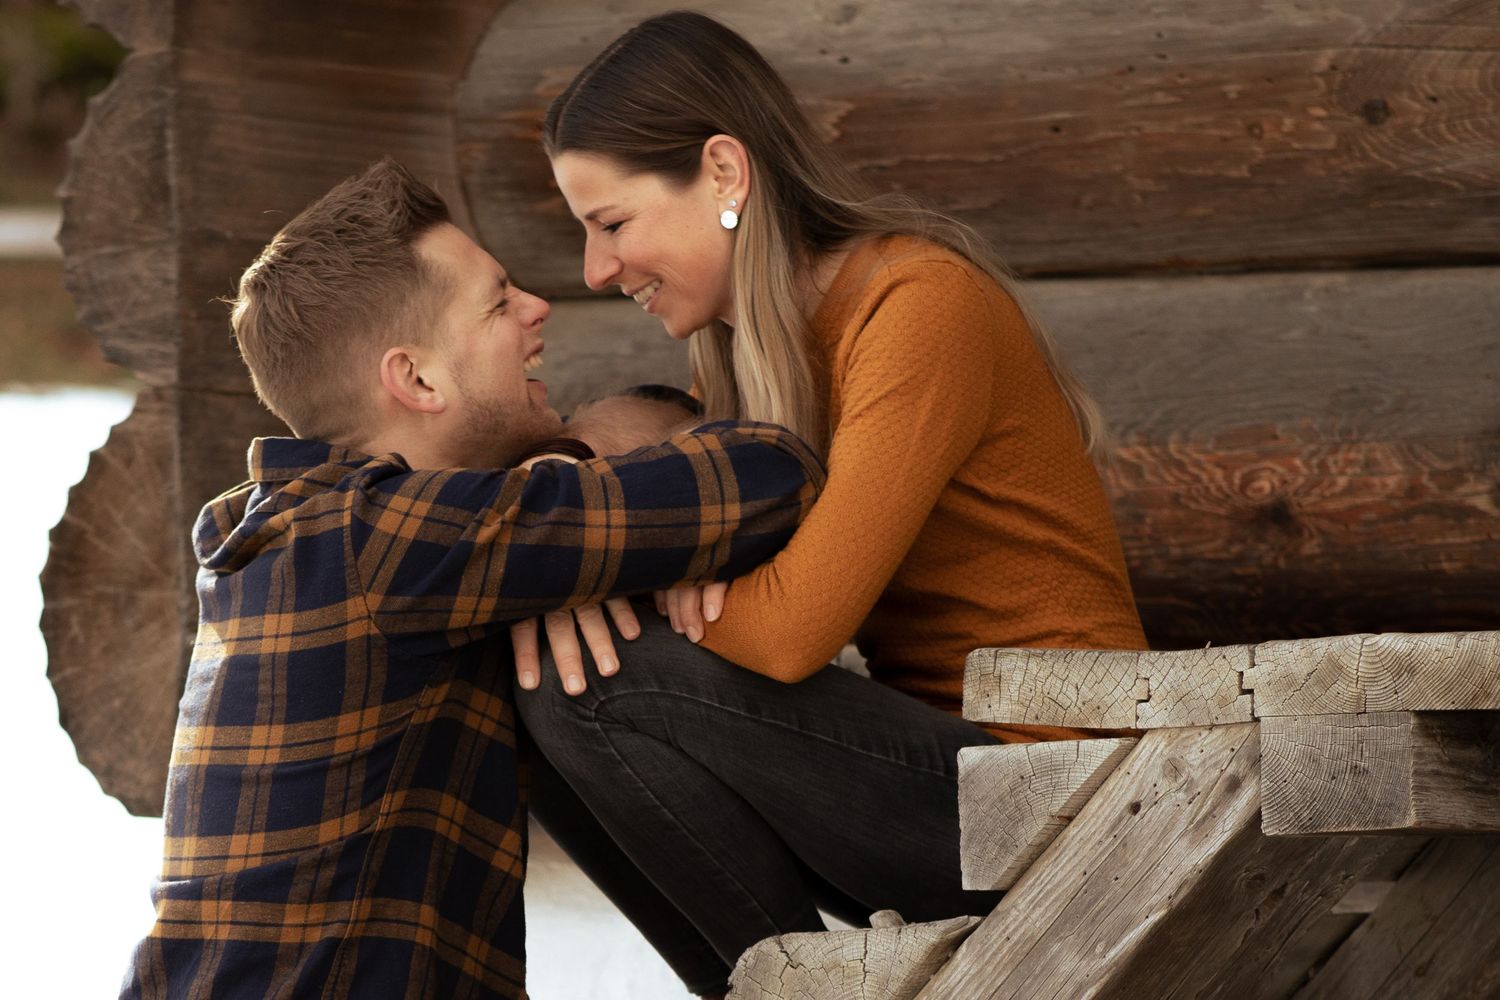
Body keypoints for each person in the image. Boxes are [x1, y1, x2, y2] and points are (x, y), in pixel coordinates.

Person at [510, 11, 1149, 999]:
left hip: (1064, 791)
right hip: (932, 786)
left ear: (724, 173)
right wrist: (618, 562)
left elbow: (790, 632)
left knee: (592, 674)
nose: (597, 271)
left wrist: (655, 587)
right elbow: (659, 507)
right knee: (545, 665)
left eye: (612, 223)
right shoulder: (747, 349)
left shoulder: (918, 303)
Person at [118, 157, 825, 1000]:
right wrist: (567, 492)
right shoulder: (383, 543)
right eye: (498, 302)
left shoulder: (298, 535)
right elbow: (770, 473)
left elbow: (667, 420)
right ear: (415, 378)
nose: (537, 309)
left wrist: (564, 460)